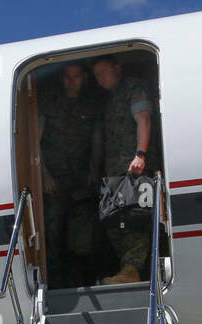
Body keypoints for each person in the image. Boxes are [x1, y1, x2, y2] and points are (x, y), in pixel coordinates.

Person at [38, 62, 103, 287]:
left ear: (84, 78)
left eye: (75, 77)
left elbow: (96, 140)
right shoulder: (49, 102)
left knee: (85, 233)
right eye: (67, 76)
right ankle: (57, 283)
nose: (71, 81)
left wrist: (94, 172)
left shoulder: (92, 103)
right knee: (54, 232)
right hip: (54, 180)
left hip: (82, 179)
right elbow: (34, 140)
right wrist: (44, 175)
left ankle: (87, 279)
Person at [94, 57, 154, 285]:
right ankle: (127, 270)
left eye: (104, 71)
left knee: (134, 222)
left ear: (118, 68)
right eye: (96, 75)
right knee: (114, 223)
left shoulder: (132, 88)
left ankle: (131, 271)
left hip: (133, 171)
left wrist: (140, 154)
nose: (100, 78)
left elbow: (143, 118)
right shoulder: (110, 99)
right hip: (115, 175)